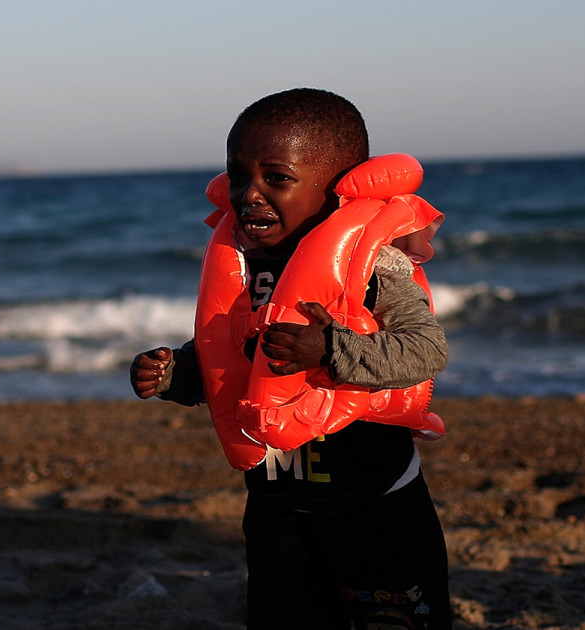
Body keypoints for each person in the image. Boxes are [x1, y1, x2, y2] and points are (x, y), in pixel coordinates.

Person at [130, 88, 451, 629]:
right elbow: (228, 358)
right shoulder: (243, 266)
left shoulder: (375, 266)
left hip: (373, 504)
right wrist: (178, 375)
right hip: (278, 505)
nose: (248, 194)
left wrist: (329, 350)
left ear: (337, 190)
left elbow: (426, 350)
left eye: (275, 178)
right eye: (238, 177)